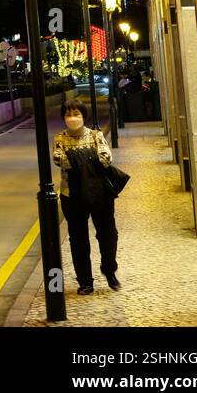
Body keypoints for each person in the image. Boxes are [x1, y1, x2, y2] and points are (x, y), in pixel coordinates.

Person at [53, 99, 120, 295]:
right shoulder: (59, 138)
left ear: (84, 116)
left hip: (99, 192)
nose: (73, 118)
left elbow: (106, 158)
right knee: (78, 239)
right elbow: (59, 160)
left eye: (77, 114)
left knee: (108, 234)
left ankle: (109, 270)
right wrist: (88, 159)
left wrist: (76, 159)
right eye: (68, 114)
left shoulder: (96, 135)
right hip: (72, 195)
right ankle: (85, 281)